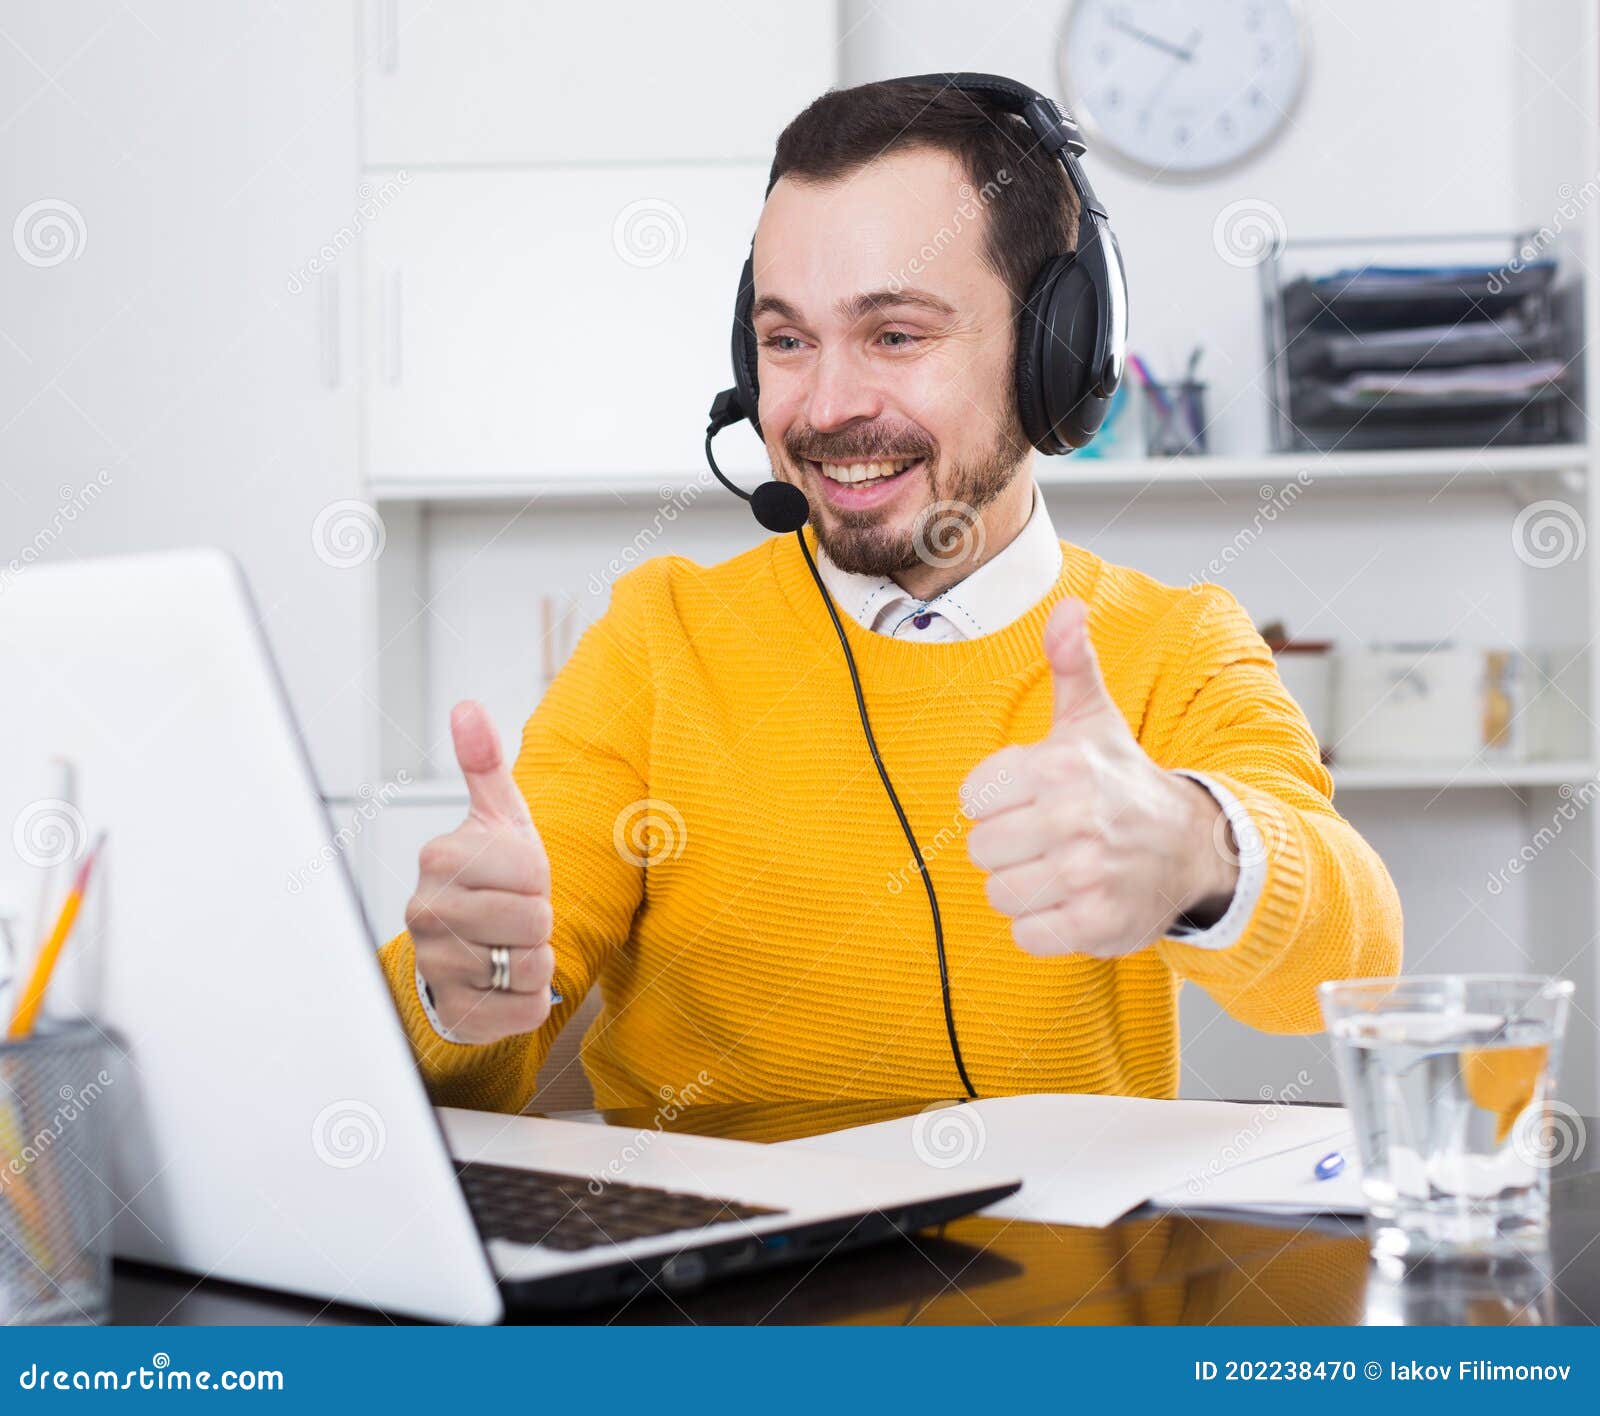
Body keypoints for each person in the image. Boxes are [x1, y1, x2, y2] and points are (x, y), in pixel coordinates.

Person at [378, 79, 1402, 1112]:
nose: (824, 408)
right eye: (786, 342)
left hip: (1068, 1268)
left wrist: (1196, 847)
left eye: (896, 335)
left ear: (1055, 353)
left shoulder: (1174, 645)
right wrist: (462, 986)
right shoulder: (661, 632)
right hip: (712, 1265)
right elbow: (434, 1059)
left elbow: (1350, 960)